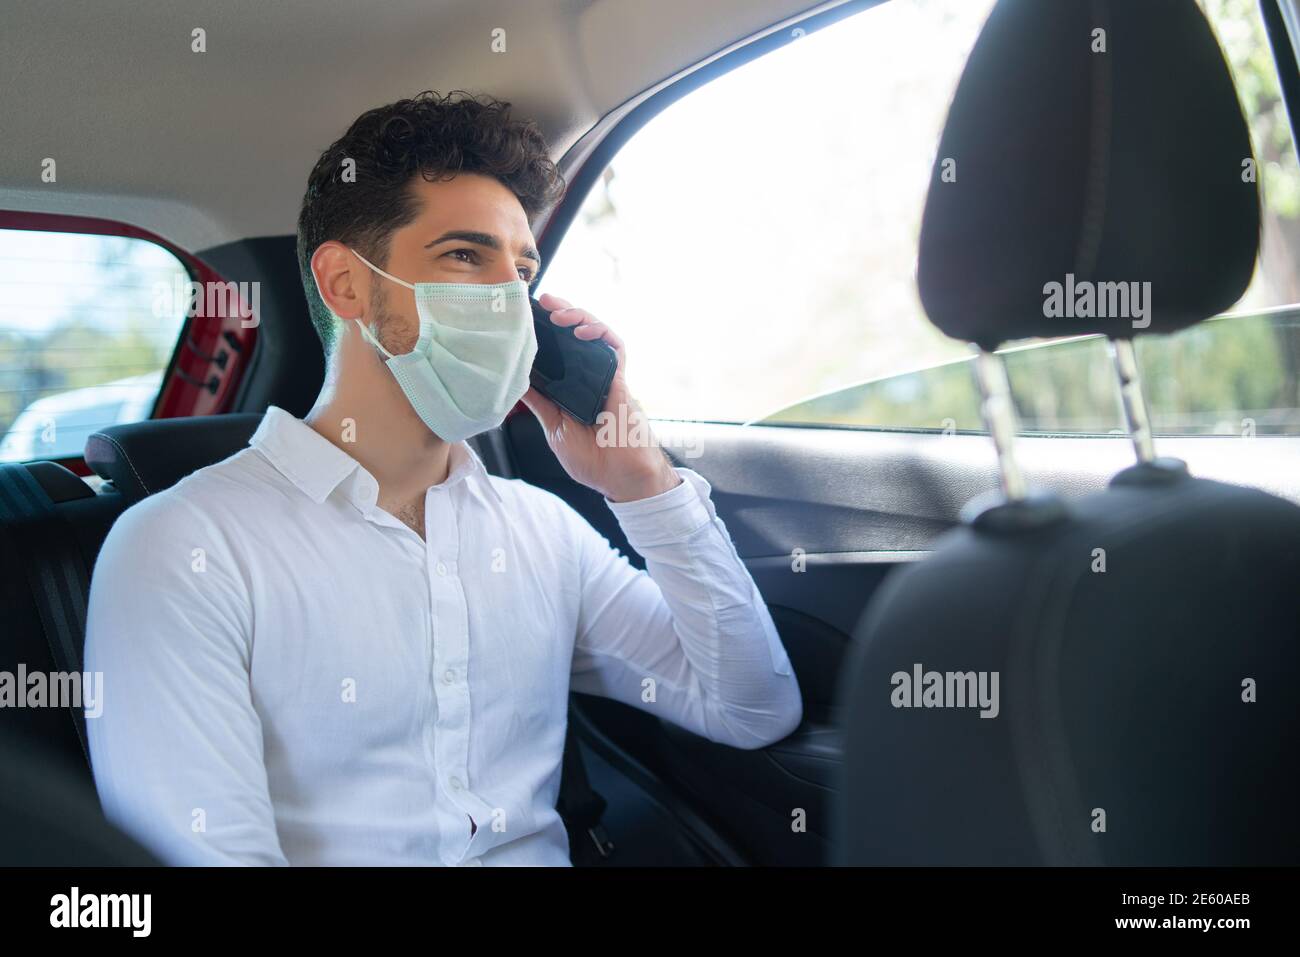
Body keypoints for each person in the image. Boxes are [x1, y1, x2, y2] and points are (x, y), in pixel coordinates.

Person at [83, 90, 802, 866]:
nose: (508, 299)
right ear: (346, 285)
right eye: (466, 255)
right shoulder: (183, 549)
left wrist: (641, 480)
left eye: (521, 270)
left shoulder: (541, 529)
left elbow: (749, 705)